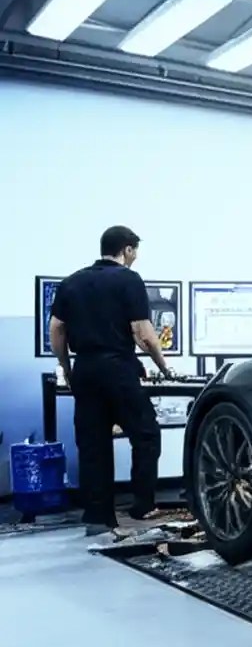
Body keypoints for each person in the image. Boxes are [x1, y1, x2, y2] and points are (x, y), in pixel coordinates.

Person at [49, 226, 174, 536]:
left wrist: (67, 368)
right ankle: (142, 506)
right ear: (128, 250)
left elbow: (57, 331)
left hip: (86, 369)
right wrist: (165, 367)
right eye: (135, 252)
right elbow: (144, 334)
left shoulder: (72, 281)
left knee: (93, 443)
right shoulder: (129, 279)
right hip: (118, 367)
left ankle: (98, 514)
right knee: (145, 435)